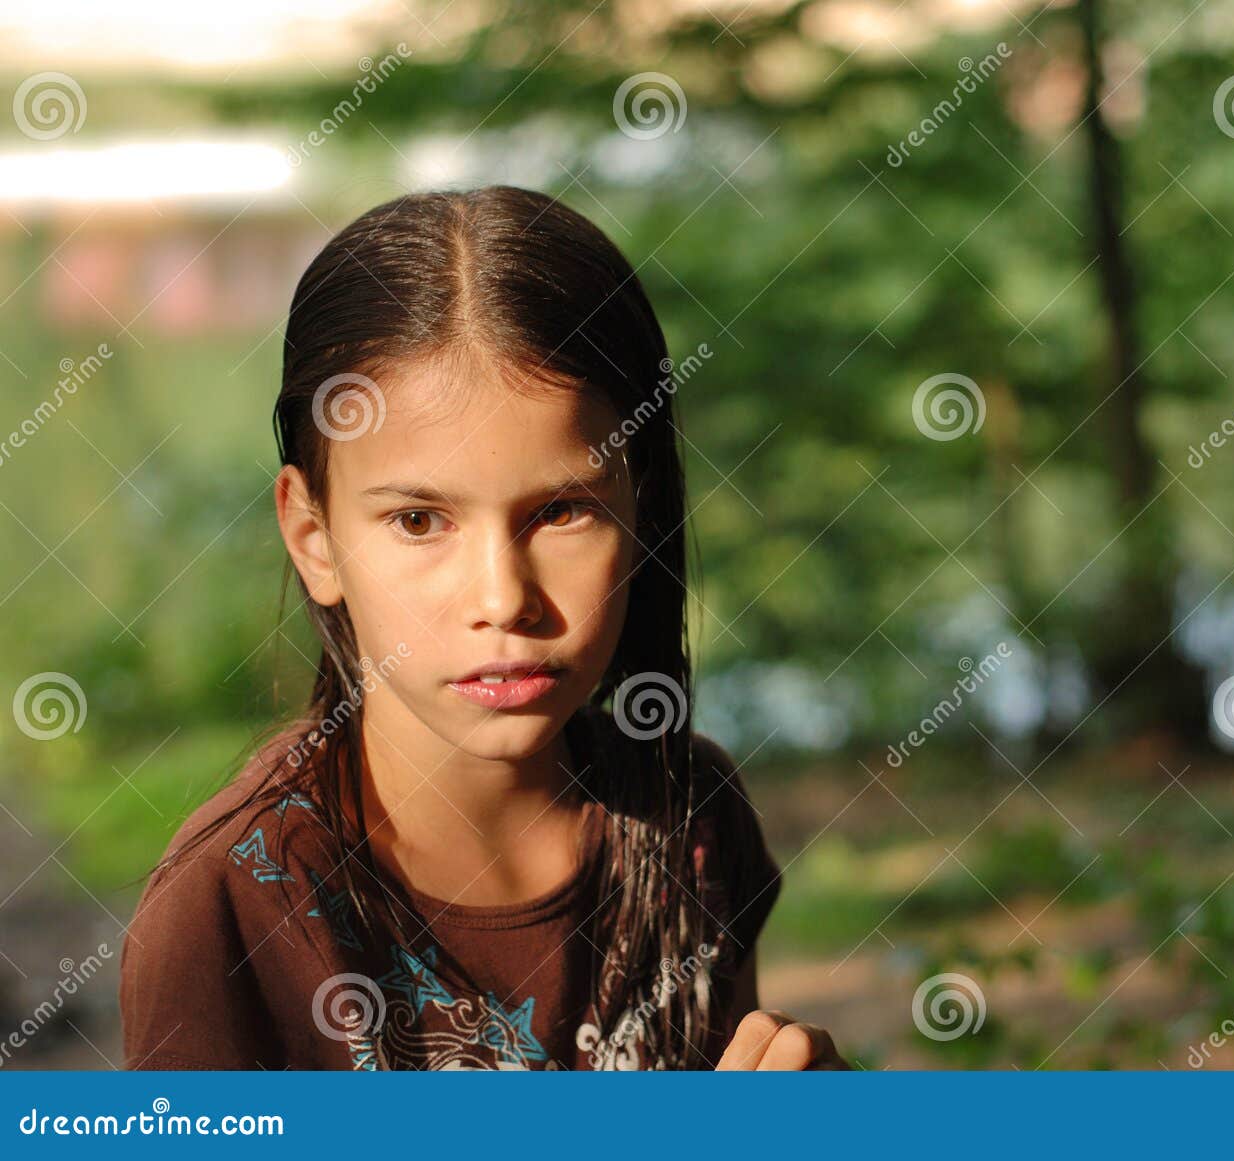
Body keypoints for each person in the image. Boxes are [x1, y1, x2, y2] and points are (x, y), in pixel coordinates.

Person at [118, 186, 848, 1071]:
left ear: (642, 510)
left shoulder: (688, 820)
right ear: (314, 538)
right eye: (420, 521)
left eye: (563, 511)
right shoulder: (231, 910)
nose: (504, 599)